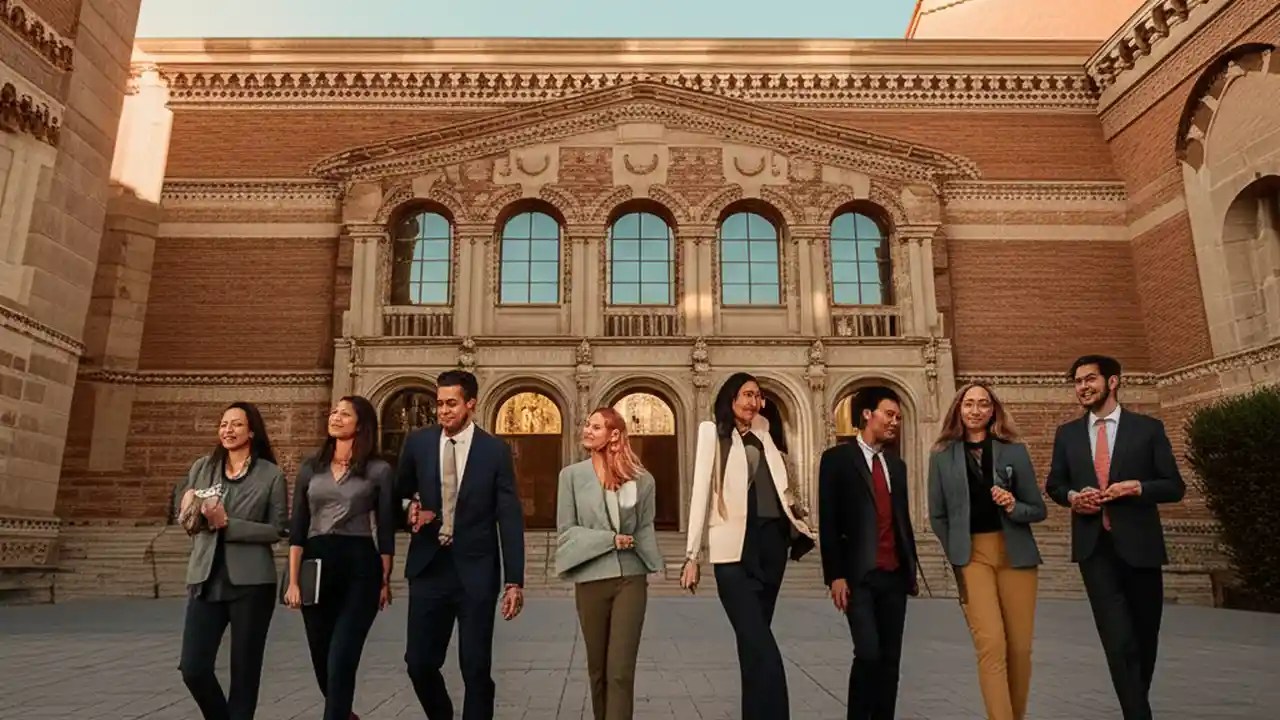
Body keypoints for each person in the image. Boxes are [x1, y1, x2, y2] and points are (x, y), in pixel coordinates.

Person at [1046, 355, 1186, 720]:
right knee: (1117, 639)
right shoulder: (1068, 434)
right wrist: (1075, 498)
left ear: (1113, 382)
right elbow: (1056, 485)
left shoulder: (1148, 429)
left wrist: (1137, 487)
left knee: (1144, 638)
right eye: (1077, 381)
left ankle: (1136, 704)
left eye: (1089, 379)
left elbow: (1174, 486)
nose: (1082, 387)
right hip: (1095, 550)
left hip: (1141, 548)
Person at [679, 372, 816, 720]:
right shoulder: (713, 433)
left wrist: (798, 521)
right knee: (760, 643)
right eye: (746, 394)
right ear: (730, 398)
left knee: (751, 647)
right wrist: (692, 554)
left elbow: (784, 485)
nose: (753, 402)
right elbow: (699, 493)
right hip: (732, 551)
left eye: (758, 396)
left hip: (771, 545)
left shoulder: (766, 434)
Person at [396, 369, 526, 720]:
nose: (443, 411)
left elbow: (509, 516)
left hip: (476, 572)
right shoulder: (418, 443)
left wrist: (515, 580)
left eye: (451, 404)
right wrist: (410, 511)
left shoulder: (494, 451)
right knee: (419, 664)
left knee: (475, 669)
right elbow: (399, 495)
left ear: (471, 404)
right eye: (439, 404)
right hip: (428, 568)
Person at [927, 382, 1046, 720]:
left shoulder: (1013, 452)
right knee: (991, 644)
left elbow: (1037, 509)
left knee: (1020, 649)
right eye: (969, 404)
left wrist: (1013, 506)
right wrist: (956, 552)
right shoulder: (941, 456)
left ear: (993, 410)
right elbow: (937, 514)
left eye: (983, 404)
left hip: (1016, 555)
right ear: (958, 410)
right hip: (972, 557)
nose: (976, 410)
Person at [285, 395, 398, 720]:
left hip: (360, 565)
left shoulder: (379, 470)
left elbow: (386, 531)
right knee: (321, 657)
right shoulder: (311, 467)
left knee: (342, 658)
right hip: (315, 563)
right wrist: (293, 581)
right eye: (333, 412)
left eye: (344, 414)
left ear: (360, 424)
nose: (335, 417)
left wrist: (385, 581)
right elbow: (298, 527)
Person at [175, 401, 288, 720]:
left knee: (244, 671)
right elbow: (189, 523)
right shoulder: (202, 467)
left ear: (251, 430)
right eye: (224, 424)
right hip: (205, 578)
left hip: (251, 583)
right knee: (193, 668)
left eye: (236, 424)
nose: (228, 430)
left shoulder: (271, 474)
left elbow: (277, 529)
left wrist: (228, 523)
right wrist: (187, 511)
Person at [818, 385, 919, 720]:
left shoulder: (897, 465)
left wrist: (911, 568)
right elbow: (829, 520)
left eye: (899, 418)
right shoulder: (837, 460)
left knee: (891, 663)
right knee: (868, 653)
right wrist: (835, 575)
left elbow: (900, 518)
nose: (895, 422)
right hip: (859, 576)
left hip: (894, 575)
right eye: (889, 414)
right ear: (866, 414)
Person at [554, 407, 663, 720]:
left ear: (615, 434)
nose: (587, 430)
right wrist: (608, 540)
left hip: (630, 578)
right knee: (598, 671)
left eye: (596, 426)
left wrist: (666, 562)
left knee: (620, 672)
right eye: (587, 425)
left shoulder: (641, 480)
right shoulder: (571, 477)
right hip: (590, 579)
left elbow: (643, 526)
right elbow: (567, 531)